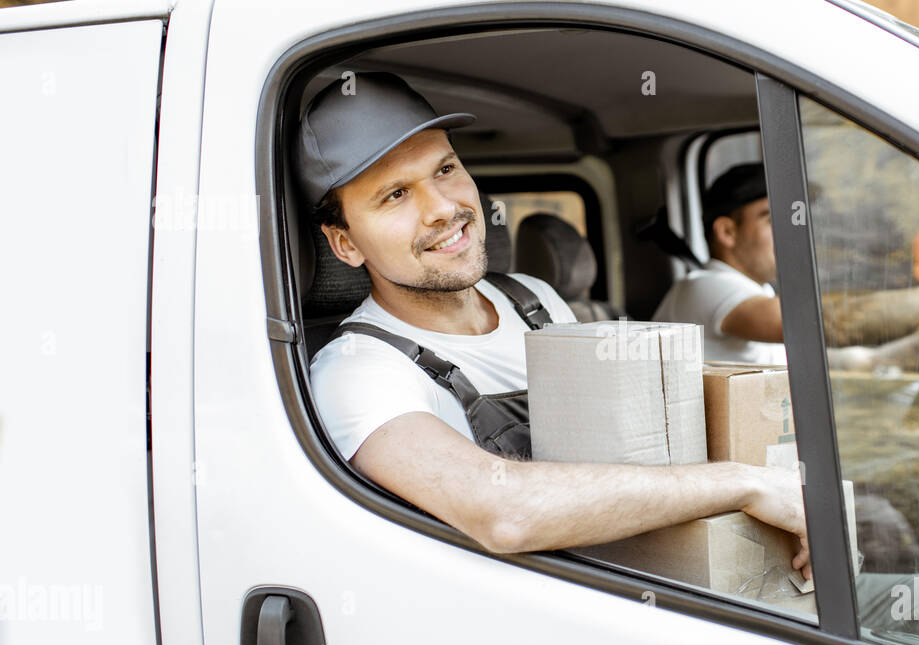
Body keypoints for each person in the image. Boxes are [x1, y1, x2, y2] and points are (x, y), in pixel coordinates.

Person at [299, 72, 811, 577]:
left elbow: (620, 456)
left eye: (445, 169)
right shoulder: (357, 372)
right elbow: (504, 513)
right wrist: (747, 484)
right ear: (344, 242)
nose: (443, 208)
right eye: (394, 195)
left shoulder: (533, 299)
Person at [652, 162, 919, 367]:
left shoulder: (754, 296)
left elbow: (859, 361)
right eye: (771, 219)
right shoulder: (703, 288)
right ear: (727, 232)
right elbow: (830, 322)